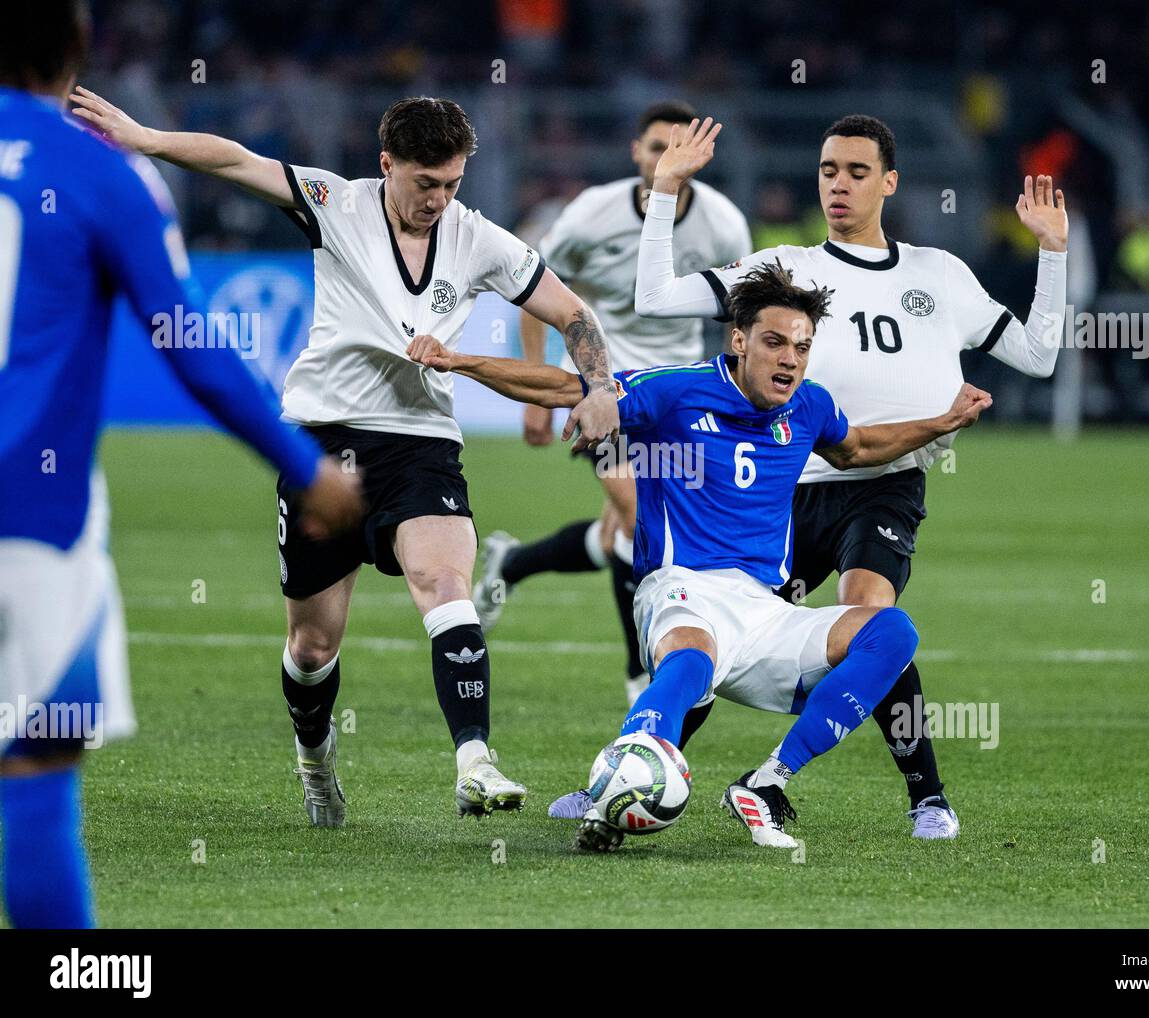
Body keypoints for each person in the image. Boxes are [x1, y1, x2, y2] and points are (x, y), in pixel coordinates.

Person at [69, 86, 621, 824]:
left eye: (452, 183)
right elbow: (238, 160)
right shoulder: (335, 200)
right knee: (311, 643)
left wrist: (602, 385)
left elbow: (571, 312)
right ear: (386, 163)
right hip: (322, 443)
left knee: (444, 580)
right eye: (425, 183)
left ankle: (475, 762)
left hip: (421, 439)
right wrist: (149, 138)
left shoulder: (479, 237)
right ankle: (315, 758)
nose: (438, 199)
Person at [406, 262, 991, 851]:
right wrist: (460, 362)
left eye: (802, 348)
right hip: (679, 588)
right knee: (688, 661)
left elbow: (859, 447)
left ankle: (765, 782)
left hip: (765, 610)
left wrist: (942, 423)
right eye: (775, 343)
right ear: (739, 341)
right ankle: (613, 790)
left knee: (890, 633)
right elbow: (564, 387)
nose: (790, 359)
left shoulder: (809, 406)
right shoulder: (678, 391)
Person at [0, 2, 363, 927]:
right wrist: (303, 466)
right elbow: (190, 341)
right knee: (36, 768)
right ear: (79, 48)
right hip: (33, 526)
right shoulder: (100, 173)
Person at [631, 115, 1068, 839]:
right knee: (721, 629)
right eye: (829, 169)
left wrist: (1052, 254)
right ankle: (640, 768)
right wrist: (665, 192)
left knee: (872, 614)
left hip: (886, 481)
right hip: (783, 487)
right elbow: (656, 296)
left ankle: (920, 796)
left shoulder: (941, 276)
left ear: (890, 183)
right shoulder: (788, 269)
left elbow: (1038, 356)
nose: (839, 183)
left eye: (858, 172)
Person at [475, 100, 751, 708]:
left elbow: (742, 313)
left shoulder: (725, 225)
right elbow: (533, 292)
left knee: (617, 535)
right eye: (656, 148)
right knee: (638, 519)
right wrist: (538, 398)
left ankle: (512, 563)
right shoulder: (591, 215)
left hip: (680, 394)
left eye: (678, 150)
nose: (665, 160)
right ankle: (641, 672)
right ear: (636, 152)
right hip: (608, 390)